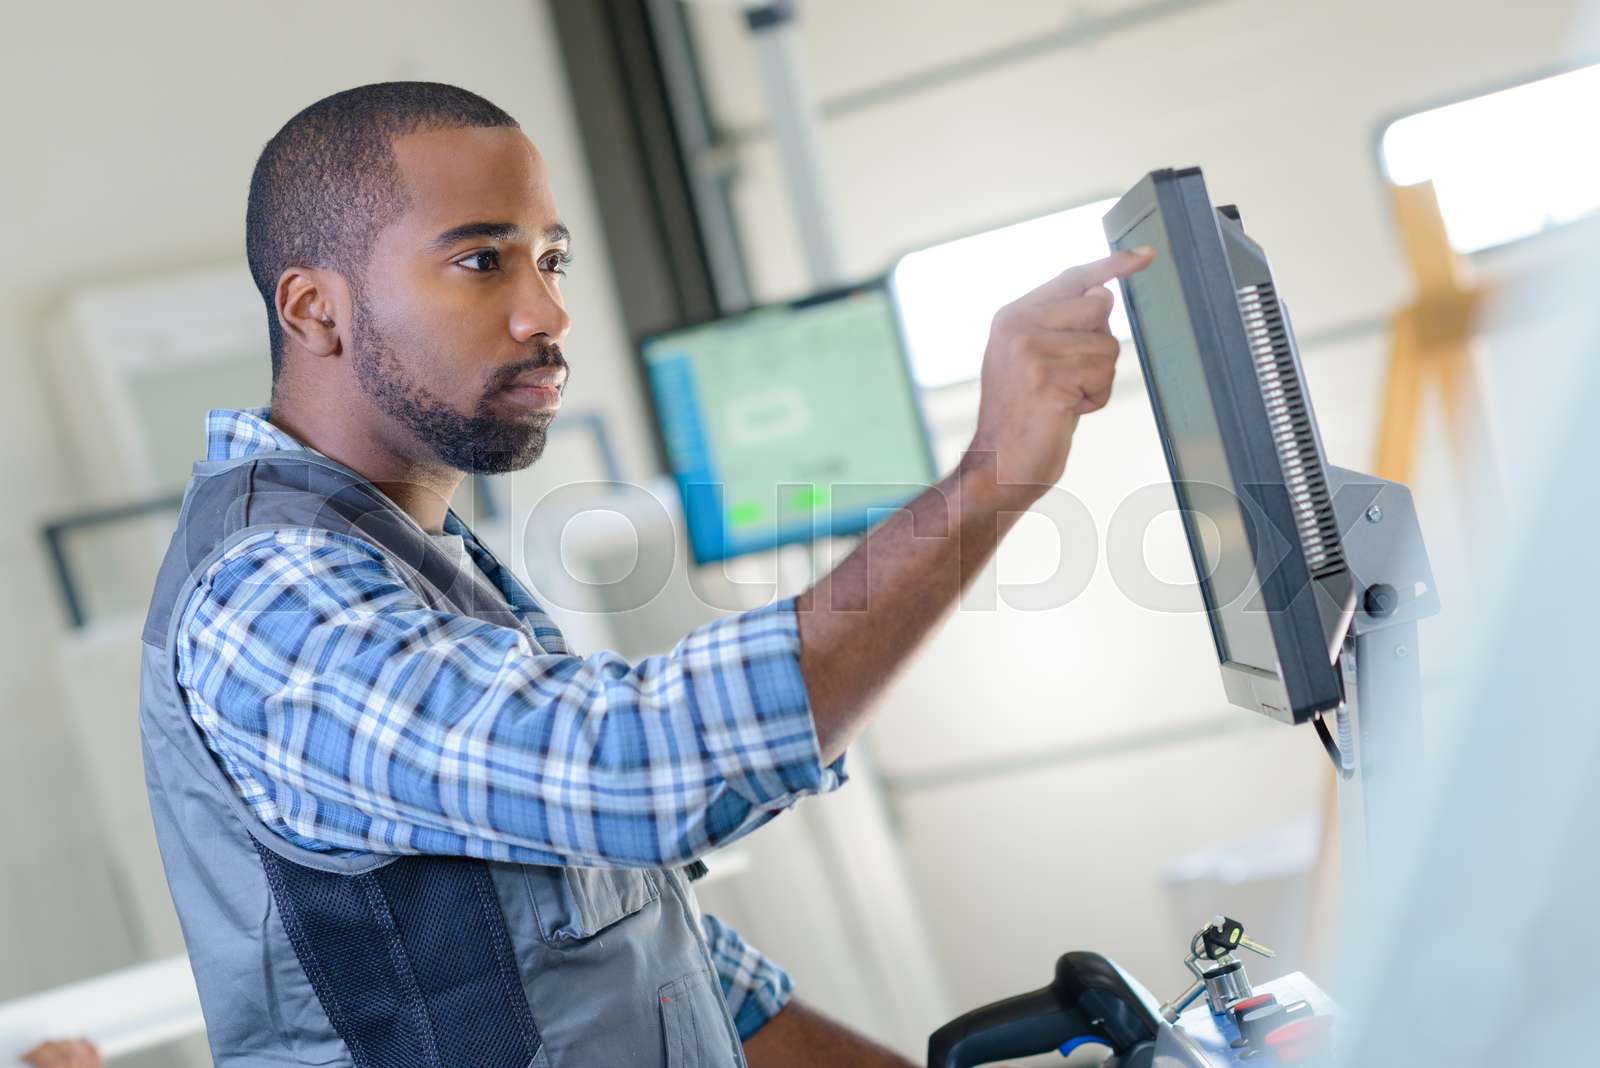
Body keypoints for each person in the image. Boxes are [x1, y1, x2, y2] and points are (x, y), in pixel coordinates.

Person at [138, 81, 1152, 1067]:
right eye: (484, 261)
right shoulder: (270, 587)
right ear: (316, 312)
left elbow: (652, 960)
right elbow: (635, 767)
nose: (547, 314)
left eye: (553, 259)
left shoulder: (428, 561)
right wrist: (988, 482)